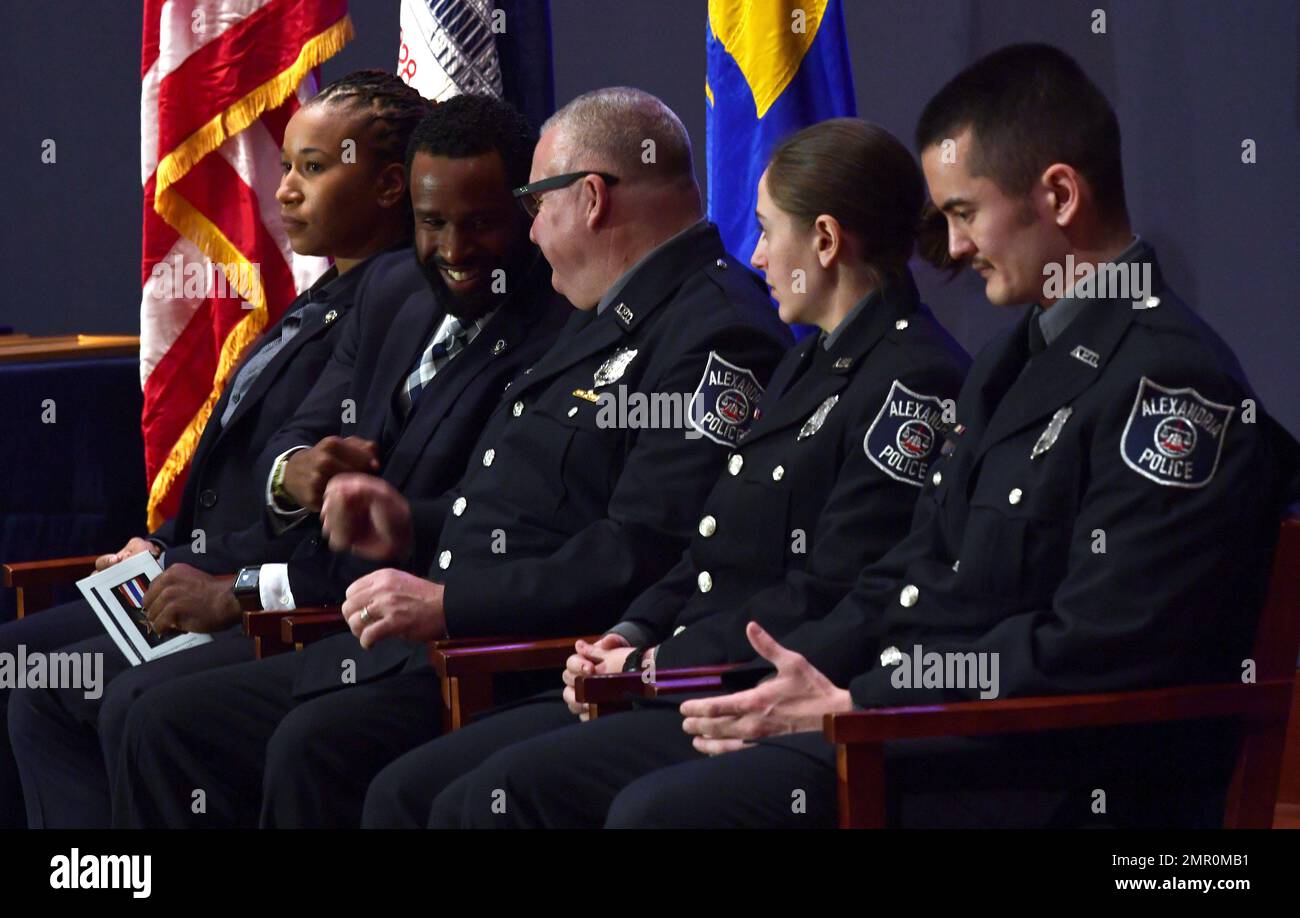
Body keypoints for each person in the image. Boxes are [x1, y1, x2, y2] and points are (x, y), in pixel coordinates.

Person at [429, 44, 1300, 829]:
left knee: (656, 812)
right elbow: (913, 581)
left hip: (1049, 768)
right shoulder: (1014, 362)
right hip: (932, 728)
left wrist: (862, 699)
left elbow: (1100, 648)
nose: (950, 247)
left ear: (1060, 196)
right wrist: (824, 692)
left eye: (965, 213)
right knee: (529, 789)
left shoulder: (1172, 382)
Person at [111, 87, 793, 829]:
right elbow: (521, 509)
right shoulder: (608, 312)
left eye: (536, 206)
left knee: (310, 747)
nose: (531, 237)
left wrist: (446, 605)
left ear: (591, 199)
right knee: (162, 716)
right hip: (431, 637)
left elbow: (639, 551)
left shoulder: (713, 335)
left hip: (507, 656)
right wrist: (406, 524)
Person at [360, 117, 973, 828]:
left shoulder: (913, 381)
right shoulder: (811, 363)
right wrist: (632, 632)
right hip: (692, 669)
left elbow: (832, 586)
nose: (756, 253)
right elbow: (708, 549)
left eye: (770, 231)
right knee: (423, 789)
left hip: (751, 683)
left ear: (827, 243)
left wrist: (664, 662)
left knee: (505, 798)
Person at [0, 70, 426, 828]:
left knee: (48, 680)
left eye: (316, 168)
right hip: (199, 568)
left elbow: (309, 500)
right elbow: (232, 468)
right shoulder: (320, 302)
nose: (287, 190)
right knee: (20, 658)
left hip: (259, 594)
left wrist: (208, 576)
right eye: (288, 165)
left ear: (392, 186)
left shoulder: (393, 305)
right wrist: (156, 544)